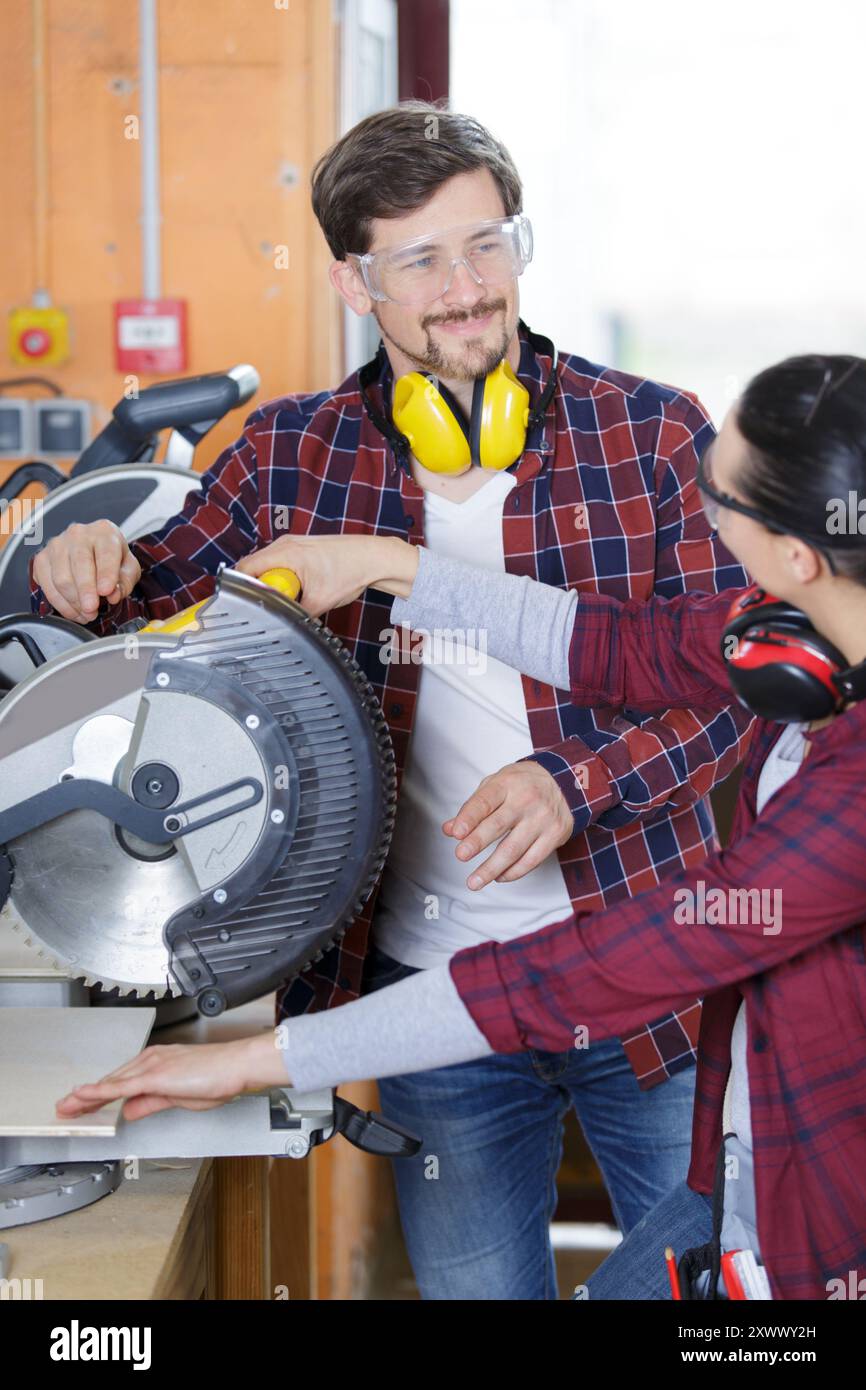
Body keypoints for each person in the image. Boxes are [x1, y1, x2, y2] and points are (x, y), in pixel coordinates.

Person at [35, 102, 750, 1300]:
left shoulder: (655, 433)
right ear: (354, 283)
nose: (467, 287)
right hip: (430, 1008)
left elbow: (734, 679)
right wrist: (86, 568)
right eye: (420, 259)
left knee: (721, 1285)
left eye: (486, 244)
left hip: (655, 987)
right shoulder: (288, 456)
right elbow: (152, 617)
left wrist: (577, 785)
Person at [57, 352, 866, 1301]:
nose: (702, 509)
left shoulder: (849, 792)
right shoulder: (790, 634)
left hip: (823, 1211)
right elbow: (613, 642)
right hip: (749, 1172)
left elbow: (593, 968)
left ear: (799, 558)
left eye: (718, 499)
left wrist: (251, 1062)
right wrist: (387, 565)